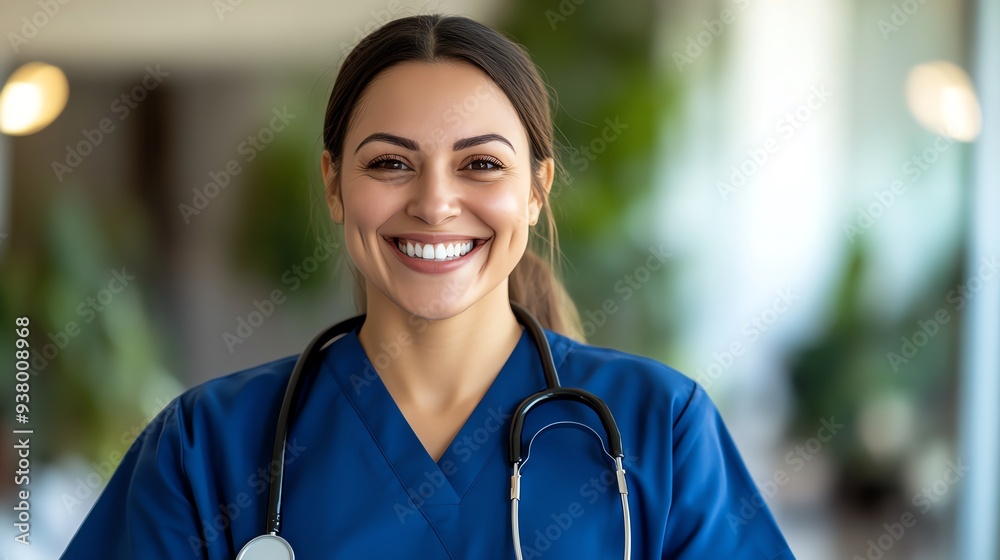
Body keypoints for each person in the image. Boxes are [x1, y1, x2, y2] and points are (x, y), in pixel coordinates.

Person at [62, 14, 795, 559]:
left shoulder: (659, 430)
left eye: (480, 165)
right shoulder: (207, 449)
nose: (435, 202)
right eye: (389, 164)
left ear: (537, 190)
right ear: (334, 184)